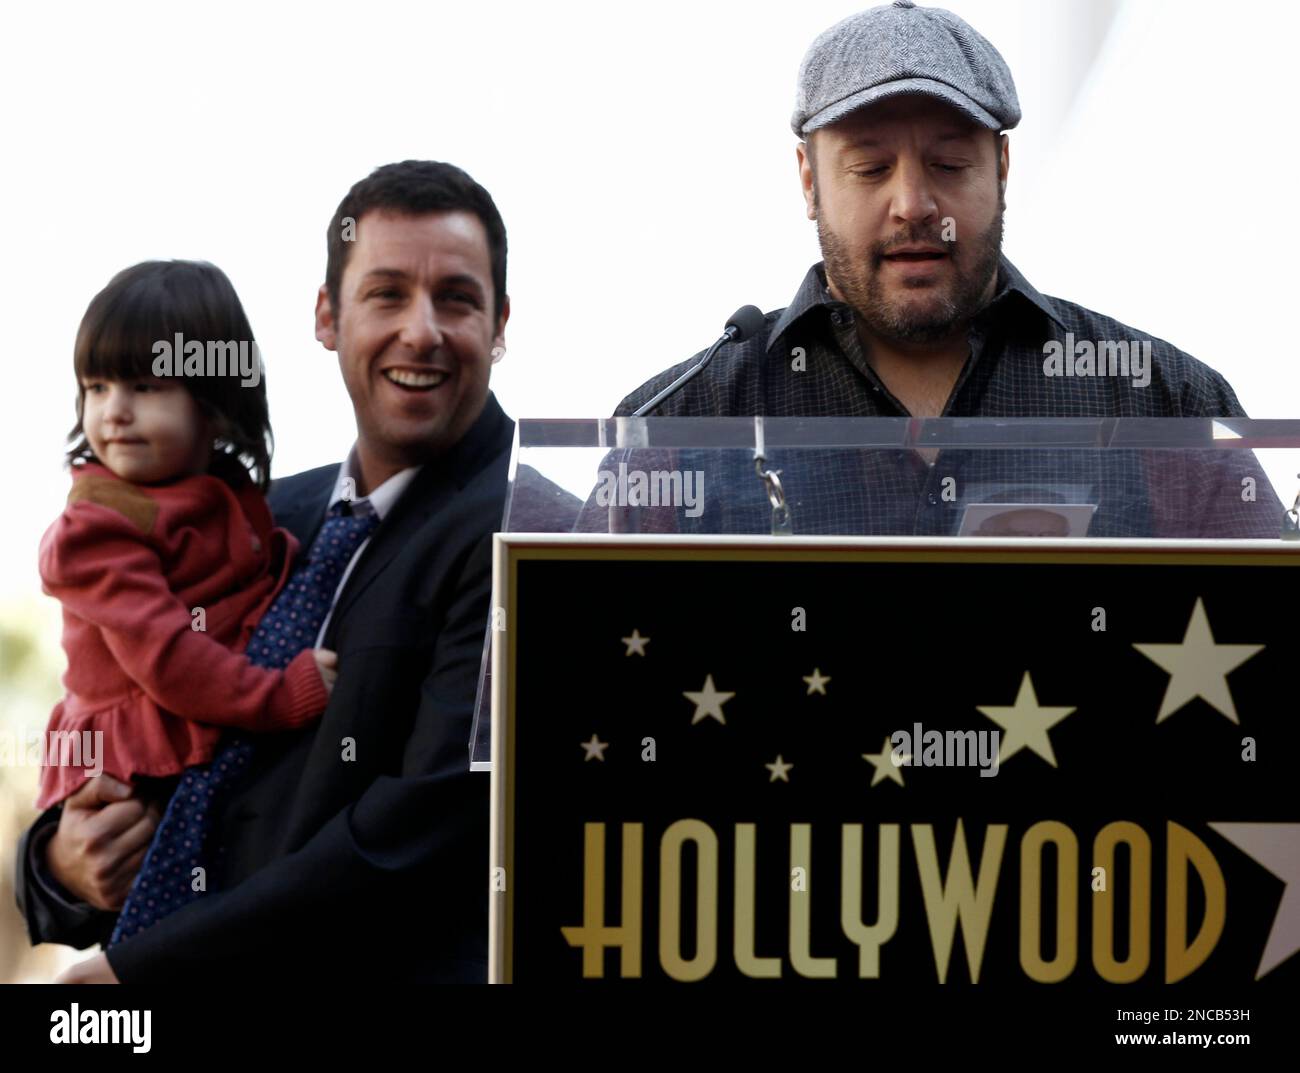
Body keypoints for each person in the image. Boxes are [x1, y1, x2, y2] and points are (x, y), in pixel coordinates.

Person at [15, 159, 514, 983]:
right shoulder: (259, 520)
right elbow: (149, 735)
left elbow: (408, 843)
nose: (420, 330)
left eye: (456, 298)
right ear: (328, 316)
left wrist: (142, 974)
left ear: (500, 324)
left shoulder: (522, 537)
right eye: (386, 293)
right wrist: (63, 862)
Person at [606, 1, 1280, 539]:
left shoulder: (1165, 405)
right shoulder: (675, 428)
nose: (914, 206)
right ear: (808, 181)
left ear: (1002, 170)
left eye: (950, 165)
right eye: (871, 169)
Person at [34, 261, 336, 821]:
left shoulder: (221, 495)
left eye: (144, 387)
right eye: (96, 387)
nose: (115, 412)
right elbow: (169, 658)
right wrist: (279, 697)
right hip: (129, 759)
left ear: (215, 407)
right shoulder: (99, 527)